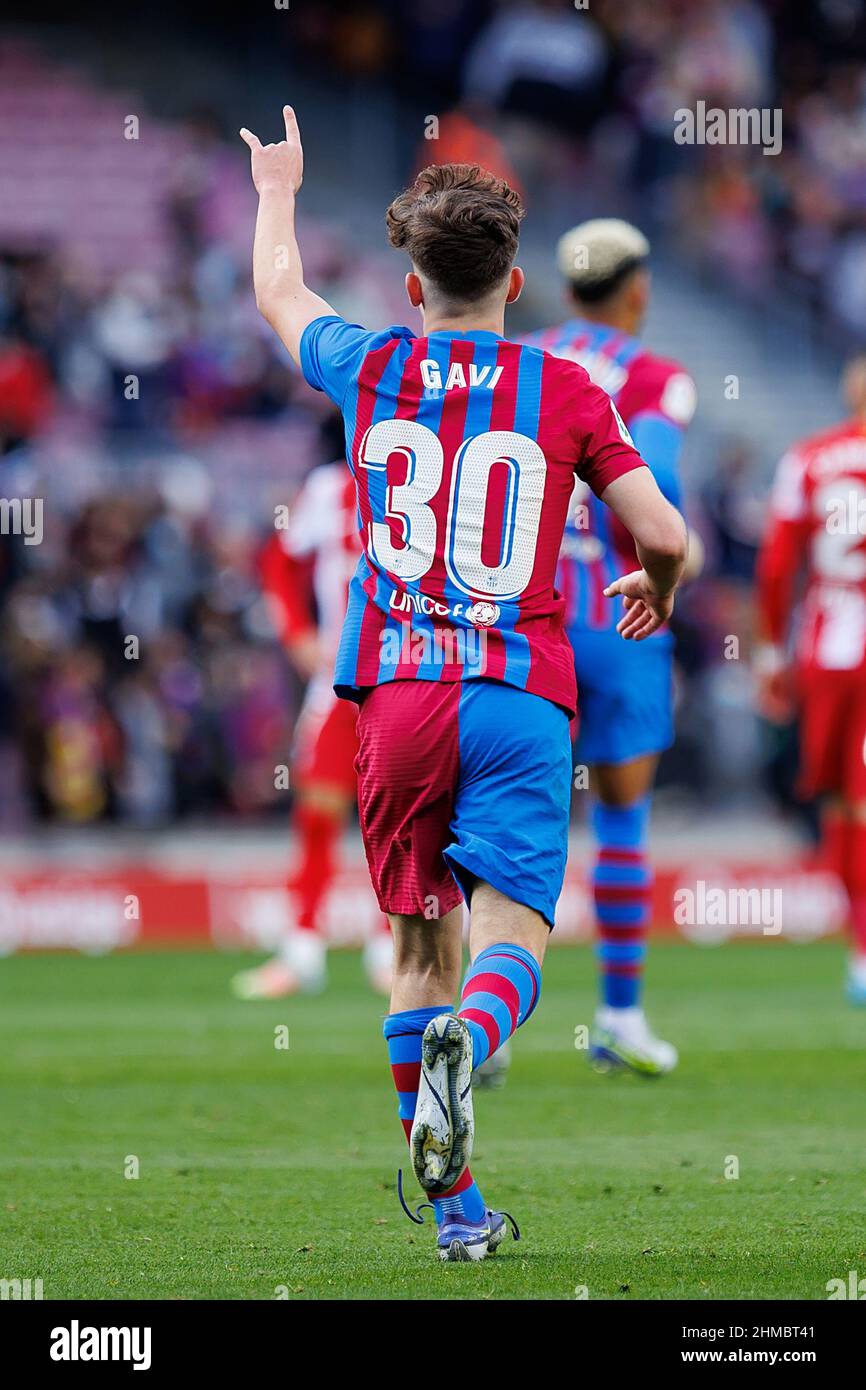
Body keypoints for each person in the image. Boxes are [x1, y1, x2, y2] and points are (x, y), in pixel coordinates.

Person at [240, 107, 688, 1262]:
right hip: (517, 696)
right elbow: (665, 532)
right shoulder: (567, 391)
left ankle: (458, 1221)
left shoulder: (370, 363)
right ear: (516, 280)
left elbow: (280, 296)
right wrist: (658, 586)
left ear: (407, 284)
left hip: (391, 697)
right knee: (513, 936)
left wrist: (278, 192)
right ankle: (475, 1038)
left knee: (414, 952)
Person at [524, 218, 698, 1076]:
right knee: (623, 816)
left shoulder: (528, 361)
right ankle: (621, 1016)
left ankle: (489, 1035)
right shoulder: (659, 377)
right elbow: (654, 482)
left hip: (528, 618)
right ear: (639, 290)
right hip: (623, 613)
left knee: (509, 820)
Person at [231, 447, 393, 1000]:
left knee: (400, 817)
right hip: (338, 677)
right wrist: (295, 632)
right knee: (318, 810)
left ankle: (391, 948)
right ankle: (302, 951)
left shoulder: (435, 470)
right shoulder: (330, 487)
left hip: (406, 675)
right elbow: (279, 563)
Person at [756, 355, 866, 1005]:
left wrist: (770, 655)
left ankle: (861, 949)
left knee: (843, 803)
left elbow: (777, 566)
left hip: (833, 653)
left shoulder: (809, 459)